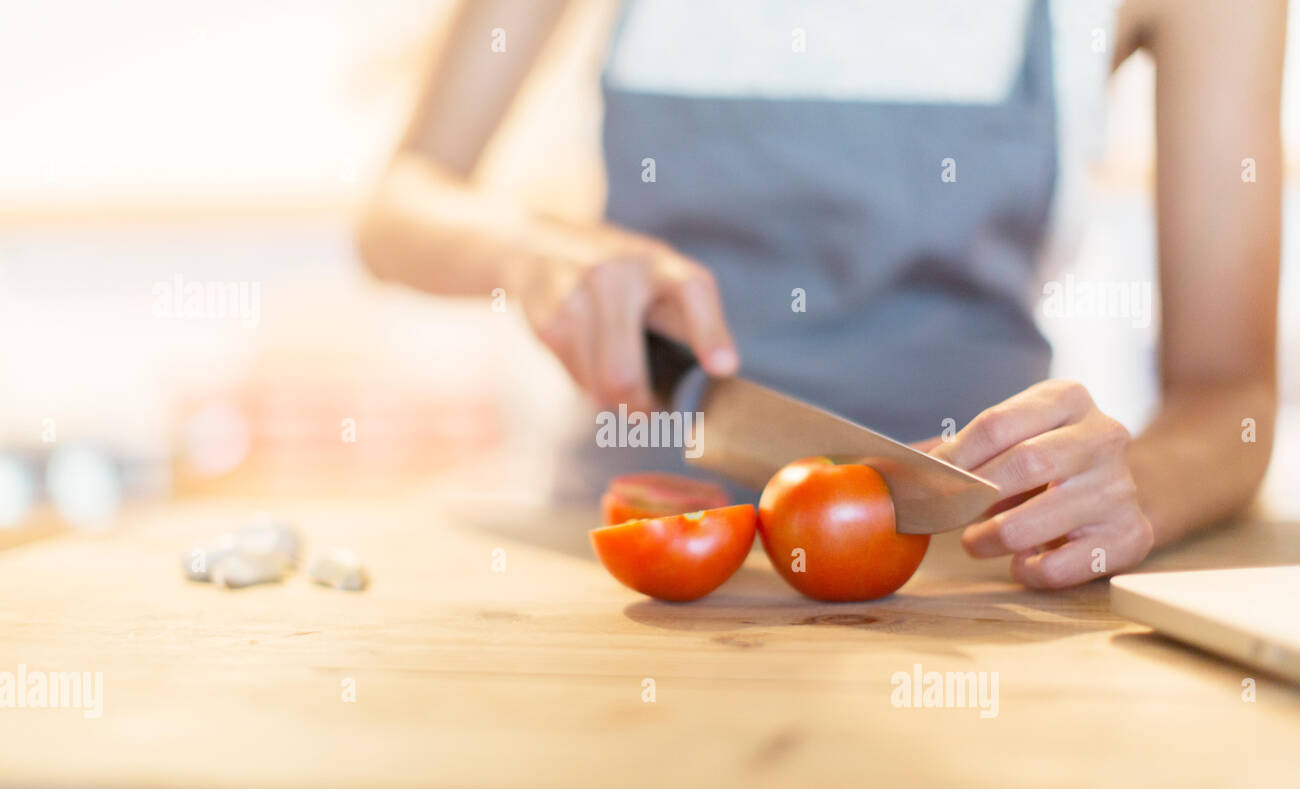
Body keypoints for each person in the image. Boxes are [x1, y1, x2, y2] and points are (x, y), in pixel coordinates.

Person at [357, 0, 1282, 589]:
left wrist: (1138, 489)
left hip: (977, 582)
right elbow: (401, 203)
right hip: (622, 564)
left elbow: (1229, 392)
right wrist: (531, 249)